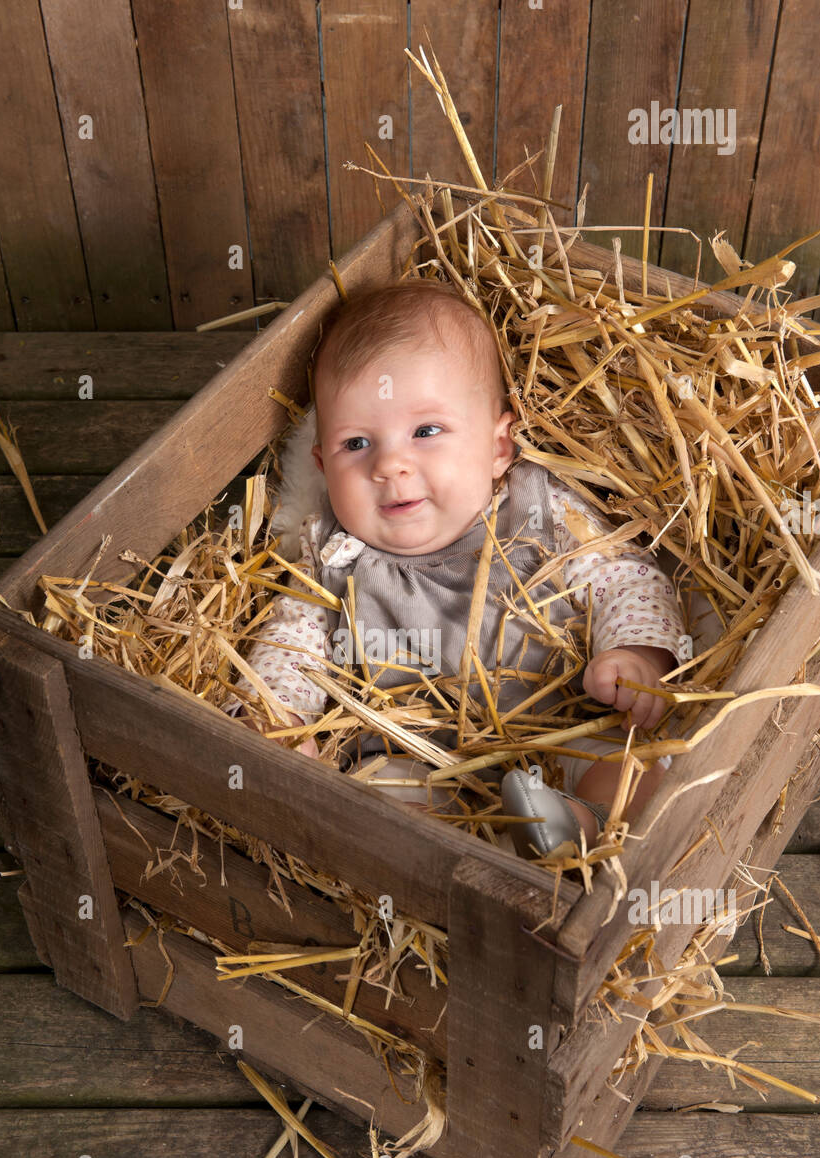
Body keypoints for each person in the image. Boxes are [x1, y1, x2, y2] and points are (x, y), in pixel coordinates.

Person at [223, 280, 685, 856]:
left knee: (640, 766)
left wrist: (635, 654)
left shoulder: (539, 510)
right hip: (417, 762)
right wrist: (278, 717)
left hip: (565, 731)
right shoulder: (335, 555)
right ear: (322, 462)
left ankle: (572, 829)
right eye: (357, 443)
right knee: (375, 802)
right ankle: (460, 861)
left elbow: (627, 575)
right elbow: (290, 644)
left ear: (497, 447)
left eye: (426, 432)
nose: (391, 464)